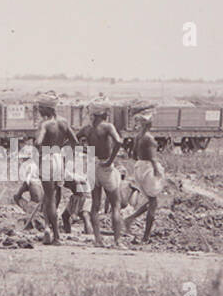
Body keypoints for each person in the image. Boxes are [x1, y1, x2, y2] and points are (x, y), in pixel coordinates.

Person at [34, 93, 79, 245]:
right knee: (54, 195)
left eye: (40, 107)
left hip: (47, 158)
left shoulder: (45, 124)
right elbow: (75, 141)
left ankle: (55, 235)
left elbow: (38, 142)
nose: (39, 110)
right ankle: (48, 227)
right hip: (59, 157)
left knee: (50, 198)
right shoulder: (64, 122)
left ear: (47, 108)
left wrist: (39, 149)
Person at [86, 105, 124, 248]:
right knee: (115, 204)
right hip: (105, 166)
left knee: (95, 205)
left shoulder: (87, 129)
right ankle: (117, 241)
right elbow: (119, 141)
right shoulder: (107, 127)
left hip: (92, 166)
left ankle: (97, 240)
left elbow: (72, 143)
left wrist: (87, 152)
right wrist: (110, 160)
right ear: (103, 114)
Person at [123, 112, 164, 243]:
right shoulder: (149, 138)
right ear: (149, 124)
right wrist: (157, 170)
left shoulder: (138, 137)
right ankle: (145, 236)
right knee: (153, 202)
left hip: (139, 167)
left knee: (151, 201)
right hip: (148, 168)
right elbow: (152, 157)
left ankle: (131, 219)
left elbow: (133, 155)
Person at [12, 143, 46, 231]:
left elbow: (24, 185)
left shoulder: (28, 170)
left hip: (35, 203)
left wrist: (18, 195)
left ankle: (30, 223)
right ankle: (36, 222)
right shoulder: (36, 172)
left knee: (21, 200)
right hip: (41, 201)